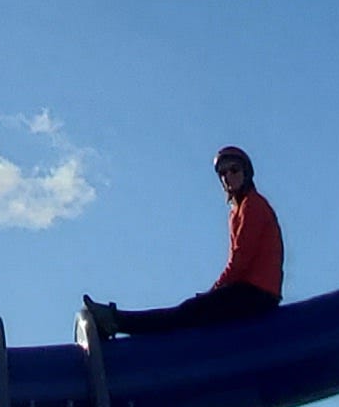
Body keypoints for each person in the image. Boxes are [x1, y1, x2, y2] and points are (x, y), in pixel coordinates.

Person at [85, 146, 281, 341]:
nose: (227, 176)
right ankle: (117, 321)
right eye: (222, 173)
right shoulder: (235, 212)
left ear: (246, 173)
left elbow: (240, 259)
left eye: (234, 170)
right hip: (246, 290)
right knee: (193, 311)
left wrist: (215, 290)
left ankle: (115, 320)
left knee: (189, 311)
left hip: (258, 294)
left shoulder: (253, 205)